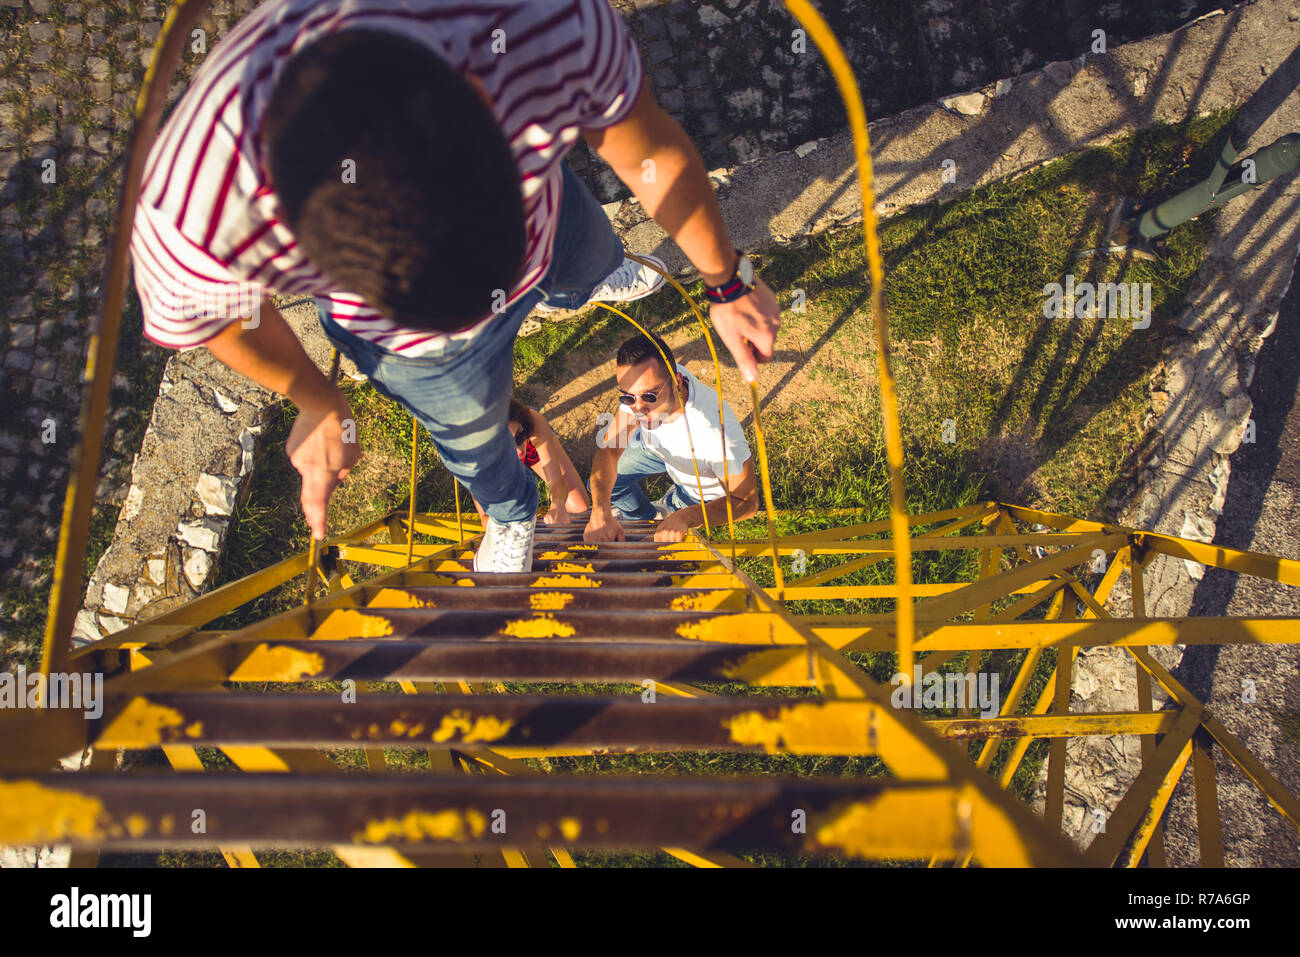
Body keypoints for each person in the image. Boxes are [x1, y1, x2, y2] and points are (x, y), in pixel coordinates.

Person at [129, 0, 781, 574]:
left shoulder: (536, 25)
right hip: (421, 352)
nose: (490, 319)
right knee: (475, 442)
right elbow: (213, 314)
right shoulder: (191, 212)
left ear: (479, 84)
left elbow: (653, 155)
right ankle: (510, 511)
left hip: (548, 230)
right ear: (293, 240)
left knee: (585, 255)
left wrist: (727, 282)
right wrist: (311, 395)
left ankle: (583, 277)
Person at [585, 331, 758, 544]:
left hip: (697, 482)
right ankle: (645, 519)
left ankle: (672, 508)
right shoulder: (651, 381)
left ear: (676, 382)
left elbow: (747, 503)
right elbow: (610, 449)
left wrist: (686, 516)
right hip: (655, 447)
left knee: (673, 517)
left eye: (649, 396)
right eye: (628, 397)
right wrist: (600, 511)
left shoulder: (716, 438)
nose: (638, 410)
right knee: (605, 487)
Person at [471, 398, 590, 526]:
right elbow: (485, 516)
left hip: (533, 444)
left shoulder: (533, 421)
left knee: (579, 505)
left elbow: (556, 480)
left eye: (519, 437)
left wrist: (557, 505)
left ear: (522, 424)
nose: (518, 451)